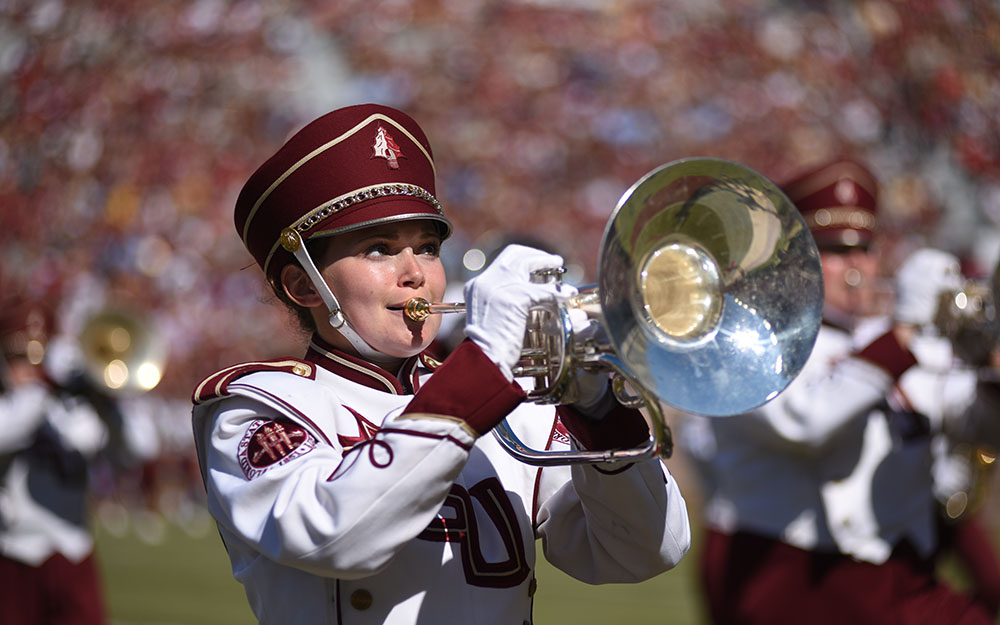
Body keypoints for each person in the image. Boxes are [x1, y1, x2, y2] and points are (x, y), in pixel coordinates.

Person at [189, 103, 691, 625]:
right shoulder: (258, 409)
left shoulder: (506, 400)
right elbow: (338, 536)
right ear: (302, 285)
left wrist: (599, 410)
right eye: (379, 249)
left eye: (427, 248)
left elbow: (645, 552)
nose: (415, 274)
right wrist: (486, 367)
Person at [678, 157, 997, 625]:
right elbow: (805, 423)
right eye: (833, 249)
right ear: (790, 258)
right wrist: (905, 334)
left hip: (896, 578)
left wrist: (986, 356)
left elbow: (977, 425)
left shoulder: (897, 340)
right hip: (785, 580)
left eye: (864, 249)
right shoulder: (745, 343)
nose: (856, 267)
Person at [0, 299, 124, 625]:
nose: (28, 367)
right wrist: (45, 386)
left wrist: (108, 401)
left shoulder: (70, 408)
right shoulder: (21, 404)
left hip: (73, 552)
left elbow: (137, 445)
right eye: (18, 357)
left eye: (38, 357)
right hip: (13, 552)